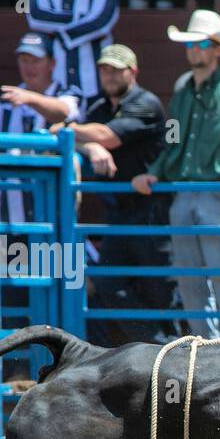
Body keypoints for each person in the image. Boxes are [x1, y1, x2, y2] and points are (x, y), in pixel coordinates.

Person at [133, 9, 220, 342]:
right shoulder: (182, 92)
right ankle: (205, 354)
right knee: (188, 281)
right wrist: (153, 173)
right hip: (183, 194)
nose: (194, 50)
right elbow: (173, 143)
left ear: (215, 48)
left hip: (217, 195)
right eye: (190, 43)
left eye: (200, 43)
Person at [63, 44, 171, 347]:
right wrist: (90, 146)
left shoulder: (146, 103)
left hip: (154, 213)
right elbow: (87, 136)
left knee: (160, 288)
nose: (108, 75)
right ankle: (159, 347)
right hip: (120, 213)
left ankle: (175, 351)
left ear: (133, 72)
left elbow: (105, 136)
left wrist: (84, 136)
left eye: (116, 69)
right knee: (109, 283)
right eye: (104, 69)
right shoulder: (100, 108)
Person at [0, 33, 82, 230]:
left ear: (52, 64)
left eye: (36, 60)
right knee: (9, 257)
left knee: (53, 257)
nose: (29, 67)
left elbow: (64, 112)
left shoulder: (67, 93)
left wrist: (29, 97)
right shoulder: (3, 103)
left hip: (52, 204)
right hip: (8, 206)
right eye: (24, 60)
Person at [26, 0, 120, 109]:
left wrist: (61, 34)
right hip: (57, 80)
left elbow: (101, 21)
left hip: (94, 82)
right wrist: (83, 18)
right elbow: (36, 17)